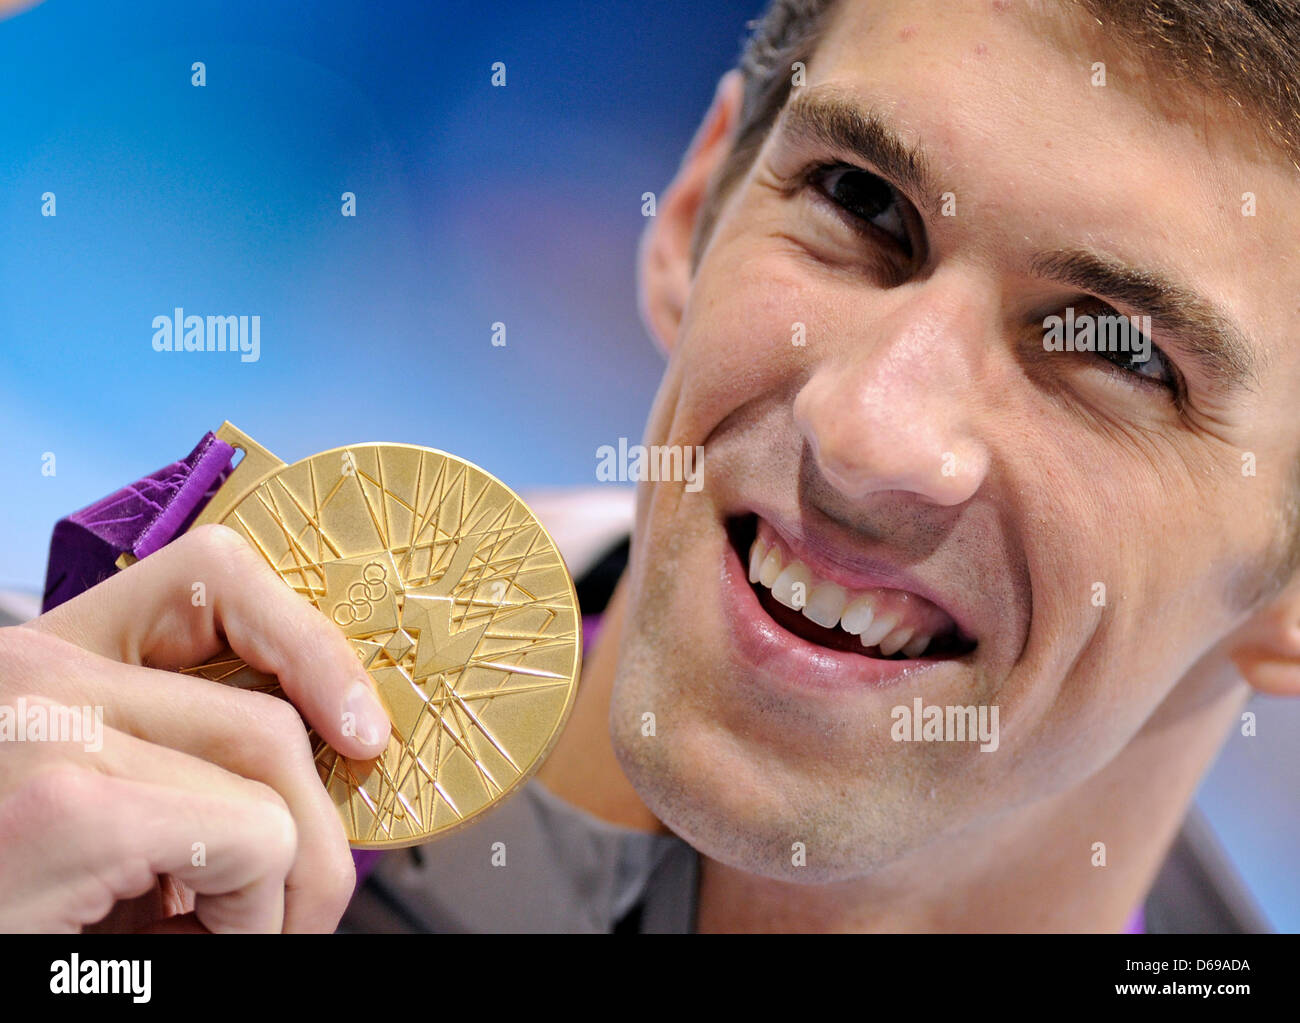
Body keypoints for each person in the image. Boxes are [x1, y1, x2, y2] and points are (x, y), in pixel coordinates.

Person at [3, 0, 1300, 933]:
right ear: (692, 215)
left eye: (1117, 353)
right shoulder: (63, 779)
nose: (868, 432)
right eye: (862, 203)